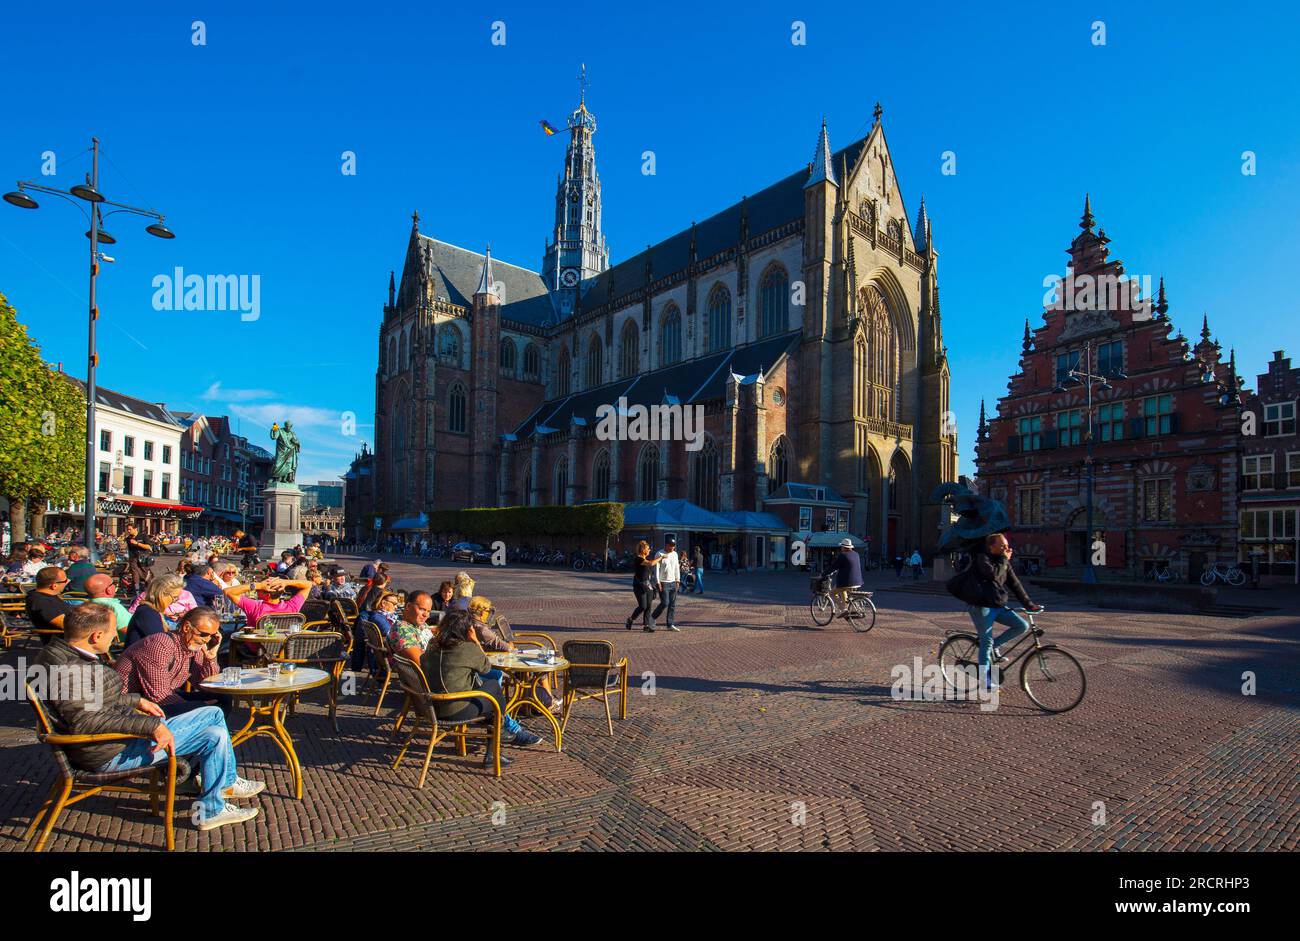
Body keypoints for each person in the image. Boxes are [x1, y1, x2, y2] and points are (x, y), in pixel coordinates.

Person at [34, 603, 263, 832]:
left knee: (215, 732)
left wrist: (135, 700)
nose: (117, 636)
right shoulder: (75, 669)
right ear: (97, 635)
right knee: (213, 714)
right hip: (108, 751)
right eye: (114, 630)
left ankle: (213, 804)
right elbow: (85, 721)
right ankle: (219, 790)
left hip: (112, 738)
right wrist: (150, 725)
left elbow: (96, 704)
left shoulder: (64, 655)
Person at [421, 610, 542, 766]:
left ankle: (497, 743)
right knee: (493, 689)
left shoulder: (432, 645)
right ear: (467, 629)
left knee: (492, 702)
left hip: (429, 706)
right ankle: (500, 732)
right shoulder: (466, 648)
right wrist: (475, 642)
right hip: (453, 709)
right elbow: (486, 668)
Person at [962, 533, 1043, 692]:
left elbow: (1014, 584)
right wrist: (1004, 560)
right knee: (986, 641)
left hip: (996, 604)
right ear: (991, 547)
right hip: (981, 606)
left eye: (1006, 545)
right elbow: (993, 577)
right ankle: (985, 682)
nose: (1007, 548)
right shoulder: (982, 559)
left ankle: (995, 646)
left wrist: (1029, 604)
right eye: (1002, 545)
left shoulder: (1003, 561)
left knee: (1021, 625)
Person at [115, 606, 230, 717]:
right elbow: (158, 695)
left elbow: (205, 685)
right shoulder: (161, 645)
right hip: (129, 703)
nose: (207, 640)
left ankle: (205, 733)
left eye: (213, 635)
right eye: (204, 634)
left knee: (223, 698)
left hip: (159, 697)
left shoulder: (194, 646)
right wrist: (197, 706)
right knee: (209, 709)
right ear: (186, 628)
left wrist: (210, 658)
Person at [125, 572, 185, 647]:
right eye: (174, 597)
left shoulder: (150, 610)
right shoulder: (148, 613)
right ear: (162, 594)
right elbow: (161, 644)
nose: (173, 601)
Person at [222, 576, 312, 625]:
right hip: (284, 649)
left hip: (257, 649)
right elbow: (308, 585)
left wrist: (258, 585)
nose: (256, 591)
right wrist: (286, 582)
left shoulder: (255, 607)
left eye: (259, 590)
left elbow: (228, 591)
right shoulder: (292, 606)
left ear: (267, 594)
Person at [25, 566, 74, 642]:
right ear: (54, 586)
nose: (67, 582)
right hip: (66, 643)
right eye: (65, 581)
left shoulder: (47, 596)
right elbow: (68, 626)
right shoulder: (42, 602)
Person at [389, 591, 436, 661]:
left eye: (428, 611)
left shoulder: (416, 624)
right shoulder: (403, 630)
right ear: (408, 606)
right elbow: (421, 662)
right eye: (422, 609)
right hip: (434, 668)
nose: (426, 615)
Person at [625, 540, 658, 633]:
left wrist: (654, 585)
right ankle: (631, 619)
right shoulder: (638, 559)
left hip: (648, 586)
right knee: (643, 606)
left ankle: (646, 626)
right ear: (643, 550)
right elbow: (651, 563)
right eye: (648, 549)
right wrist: (661, 558)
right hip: (639, 586)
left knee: (649, 606)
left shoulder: (645, 559)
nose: (650, 550)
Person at [650, 537, 682, 633]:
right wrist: (657, 582)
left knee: (672, 604)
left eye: (674, 546)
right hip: (663, 582)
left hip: (673, 582)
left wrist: (678, 580)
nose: (673, 547)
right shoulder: (659, 554)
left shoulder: (675, 554)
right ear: (666, 545)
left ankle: (670, 624)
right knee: (665, 603)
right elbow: (656, 568)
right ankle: (652, 618)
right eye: (671, 546)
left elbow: (677, 567)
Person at [824, 538, 864, 609]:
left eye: (841, 546)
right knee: (842, 590)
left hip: (847, 582)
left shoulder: (843, 555)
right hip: (858, 582)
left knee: (831, 594)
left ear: (844, 547)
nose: (841, 548)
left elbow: (833, 567)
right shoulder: (856, 554)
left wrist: (823, 574)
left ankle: (843, 607)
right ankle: (846, 607)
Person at [124, 524, 153, 590]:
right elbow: (129, 550)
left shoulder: (143, 536)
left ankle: (149, 589)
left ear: (135, 529)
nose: (128, 531)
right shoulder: (128, 538)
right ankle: (136, 591)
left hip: (143, 558)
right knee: (135, 575)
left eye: (130, 529)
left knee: (145, 573)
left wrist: (137, 543)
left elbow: (148, 547)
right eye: (127, 529)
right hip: (134, 559)